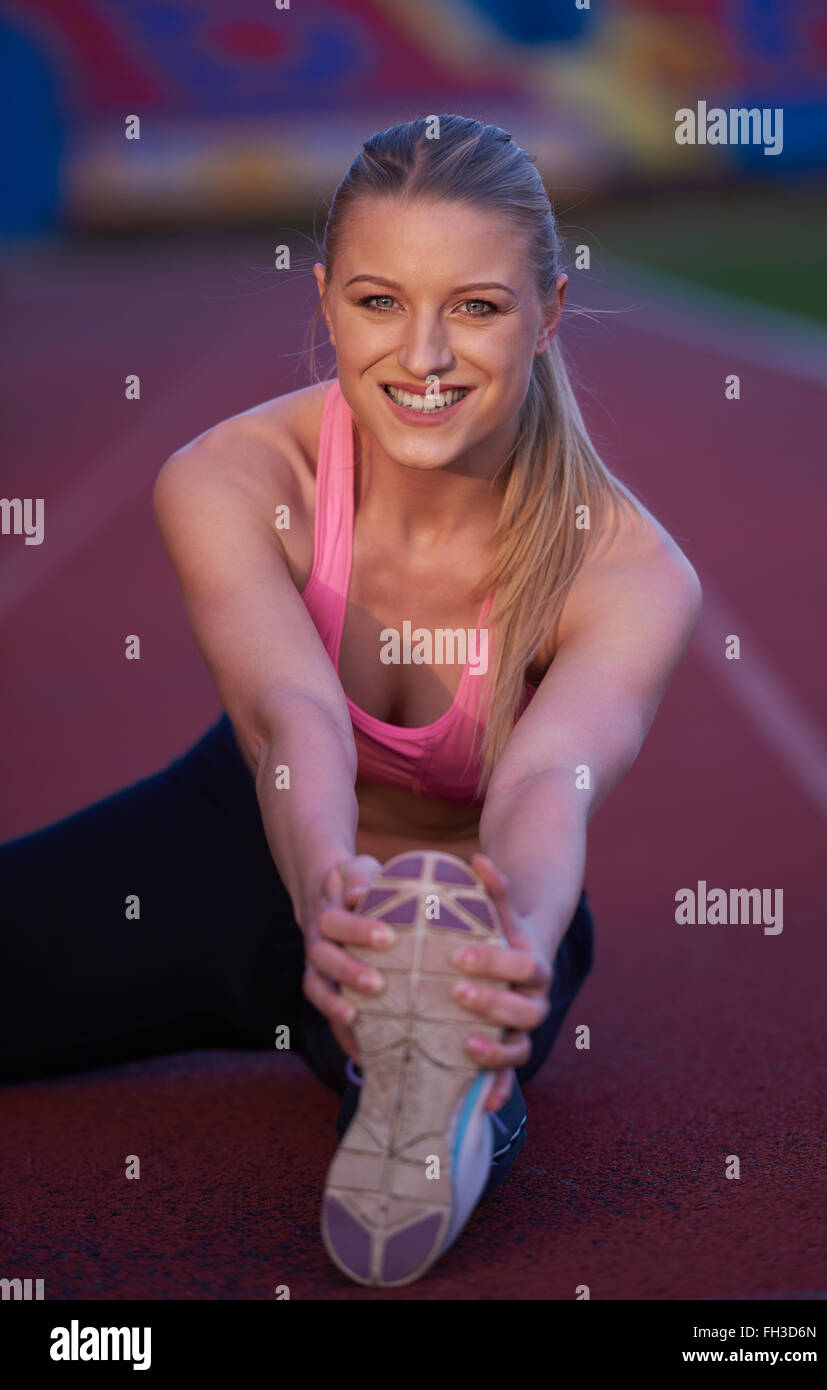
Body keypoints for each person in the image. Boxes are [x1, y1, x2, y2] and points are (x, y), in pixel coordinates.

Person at [0, 115, 701, 1287]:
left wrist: (516, 937)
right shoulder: (233, 478)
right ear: (325, 301)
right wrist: (326, 887)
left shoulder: (629, 569)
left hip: (469, 902)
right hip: (240, 844)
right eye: (380, 302)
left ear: (551, 312)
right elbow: (289, 717)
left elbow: (546, 778)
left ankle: (448, 1084)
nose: (423, 356)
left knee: (425, 1024)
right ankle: (412, 1042)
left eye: (474, 307)